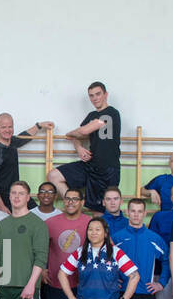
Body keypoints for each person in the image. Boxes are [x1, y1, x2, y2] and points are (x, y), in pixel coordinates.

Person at [47, 82, 121, 213]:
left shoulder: (111, 113)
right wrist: (79, 148)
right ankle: (74, 209)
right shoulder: (91, 115)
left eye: (98, 94)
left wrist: (72, 132)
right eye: (91, 96)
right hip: (90, 164)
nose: (95, 98)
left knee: (98, 213)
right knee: (53, 175)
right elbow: (76, 137)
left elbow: (81, 132)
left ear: (106, 95)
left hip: (107, 169)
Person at [0, 114, 52, 214]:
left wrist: (39, 126)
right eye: (3, 127)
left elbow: (23, 138)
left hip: (15, 192)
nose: (7, 130)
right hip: (1, 199)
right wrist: (1, 207)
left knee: (37, 213)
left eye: (10, 127)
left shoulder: (10, 142)